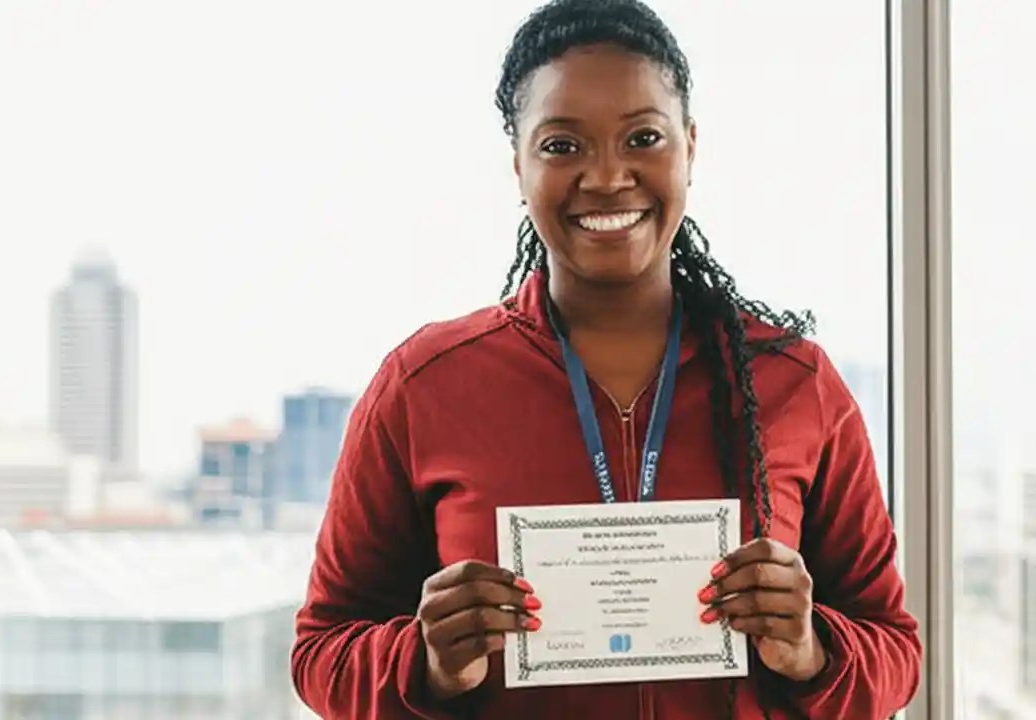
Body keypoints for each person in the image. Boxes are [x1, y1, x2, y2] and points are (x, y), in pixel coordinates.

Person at [290, 0, 921, 717]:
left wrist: (812, 650)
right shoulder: (425, 383)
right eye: (563, 146)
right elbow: (320, 653)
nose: (608, 177)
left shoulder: (795, 382)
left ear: (690, 145)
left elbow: (895, 650)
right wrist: (425, 663)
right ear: (518, 165)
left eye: (643, 137)